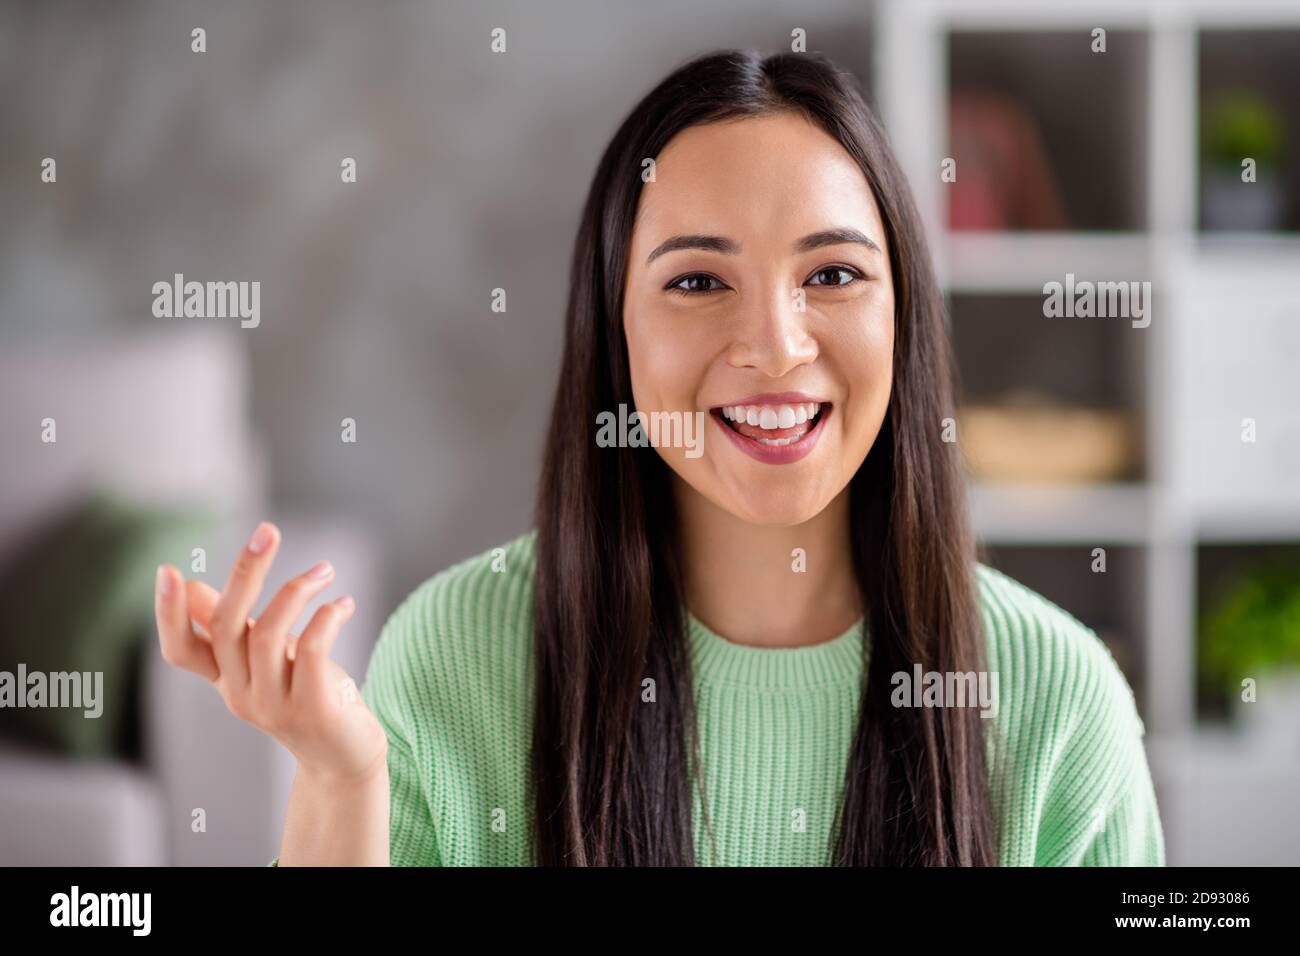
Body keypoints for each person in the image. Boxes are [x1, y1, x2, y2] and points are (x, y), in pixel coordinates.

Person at [154, 49, 1164, 867]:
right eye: (696, 282)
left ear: (901, 317)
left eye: (833, 273)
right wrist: (338, 778)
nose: (773, 344)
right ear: (616, 330)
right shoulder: (456, 655)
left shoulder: (1057, 699)